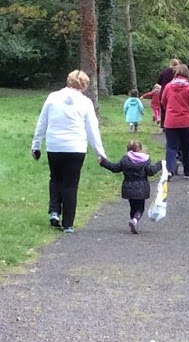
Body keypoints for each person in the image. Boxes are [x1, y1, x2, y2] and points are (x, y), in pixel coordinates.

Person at [31, 70, 108, 232]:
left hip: (55, 145)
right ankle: (68, 224)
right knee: (70, 185)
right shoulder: (86, 102)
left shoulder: (52, 97)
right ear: (85, 85)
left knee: (55, 178)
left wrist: (36, 145)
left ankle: (54, 211)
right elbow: (92, 129)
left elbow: (42, 122)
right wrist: (100, 154)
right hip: (76, 147)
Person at [98, 140, 162, 234]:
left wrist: (103, 162)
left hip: (128, 188)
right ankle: (135, 220)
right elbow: (151, 171)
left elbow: (115, 168)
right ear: (140, 149)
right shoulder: (145, 160)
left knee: (133, 207)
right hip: (142, 188)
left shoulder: (125, 159)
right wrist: (160, 164)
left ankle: (133, 220)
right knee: (140, 208)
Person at [159, 63, 189, 178]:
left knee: (171, 147)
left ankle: (169, 171)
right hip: (186, 122)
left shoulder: (168, 87)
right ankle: (188, 172)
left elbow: (163, 102)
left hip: (170, 122)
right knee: (187, 147)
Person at [152, 58, 178, 126]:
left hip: (165, 93)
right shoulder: (179, 73)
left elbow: (159, 82)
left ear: (170, 64)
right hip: (176, 93)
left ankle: (163, 125)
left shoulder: (164, 72)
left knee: (164, 109)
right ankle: (174, 124)